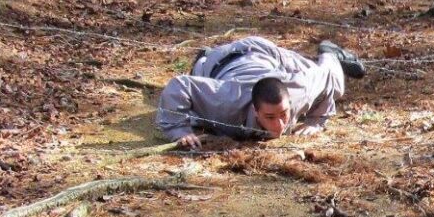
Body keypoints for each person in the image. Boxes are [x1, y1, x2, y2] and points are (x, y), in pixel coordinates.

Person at [156, 37, 366, 149]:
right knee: (200, 70)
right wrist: (179, 131)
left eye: (284, 114)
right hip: (222, 62)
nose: (280, 126)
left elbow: (326, 78)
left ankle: (329, 50)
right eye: (270, 117)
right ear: (256, 111)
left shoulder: (298, 90)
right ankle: (206, 55)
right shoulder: (225, 101)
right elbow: (179, 86)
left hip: (269, 55)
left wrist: (316, 121)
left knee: (334, 80)